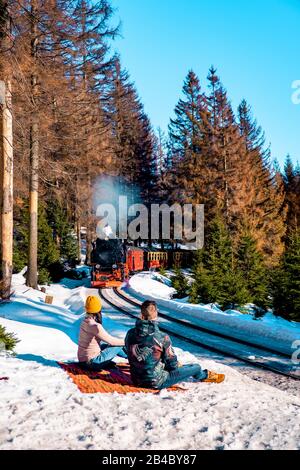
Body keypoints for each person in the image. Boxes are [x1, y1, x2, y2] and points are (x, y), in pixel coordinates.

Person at [125, 300, 225, 390]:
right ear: (156, 314)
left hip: (136, 380)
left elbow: (130, 353)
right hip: (156, 382)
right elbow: (172, 365)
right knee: (196, 367)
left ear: (141, 314)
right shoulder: (162, 337)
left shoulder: (130, 333)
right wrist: (178, 368)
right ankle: (204, 375)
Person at [78, 296, 127, 371]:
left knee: (105, 346)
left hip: (82, 361)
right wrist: (127, 341)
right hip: (92, 363)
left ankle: (133, 357)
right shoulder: (95, 326)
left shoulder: (84, 322)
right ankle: (136, 359)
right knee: (117, 346)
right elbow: (112, 342)